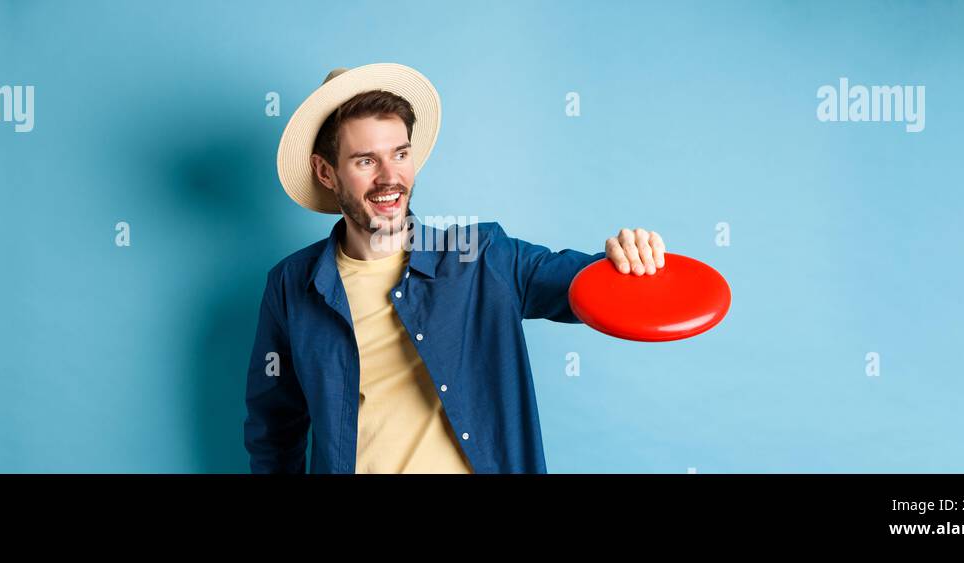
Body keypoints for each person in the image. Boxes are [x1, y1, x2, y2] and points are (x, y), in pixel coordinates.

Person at [245, 63, 666, 473]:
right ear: (326, 172)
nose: (390, 178)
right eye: (366, 161)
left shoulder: (479, 255)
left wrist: (630, 259)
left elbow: (582, 285)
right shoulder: (291, 284)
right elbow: (273, 430)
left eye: (400, 154)